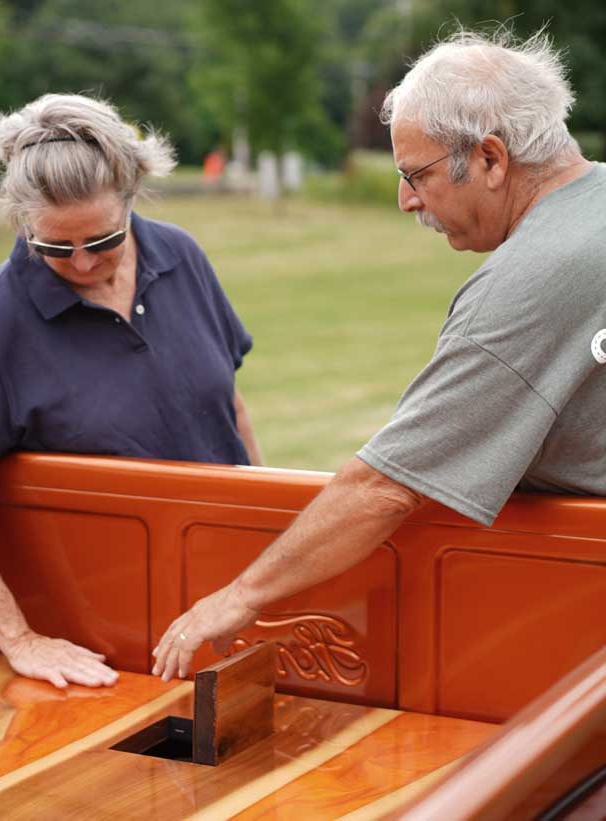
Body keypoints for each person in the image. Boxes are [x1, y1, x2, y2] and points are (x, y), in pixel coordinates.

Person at [152, 28, 606, 682]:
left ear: (490, 158)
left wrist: (238, 597)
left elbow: (386, 487)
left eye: (416, 175)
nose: (406, 200)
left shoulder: (528, 282)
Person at [0, 93, 262, 690]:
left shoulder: (181, 255)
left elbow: (228, 404)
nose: (79, 263)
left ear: (132, 196)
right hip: (114, 631)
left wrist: (264, 536)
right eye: (53, 246)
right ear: (22, 223)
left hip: (229, 592)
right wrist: (19, 639)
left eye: (101, 241)